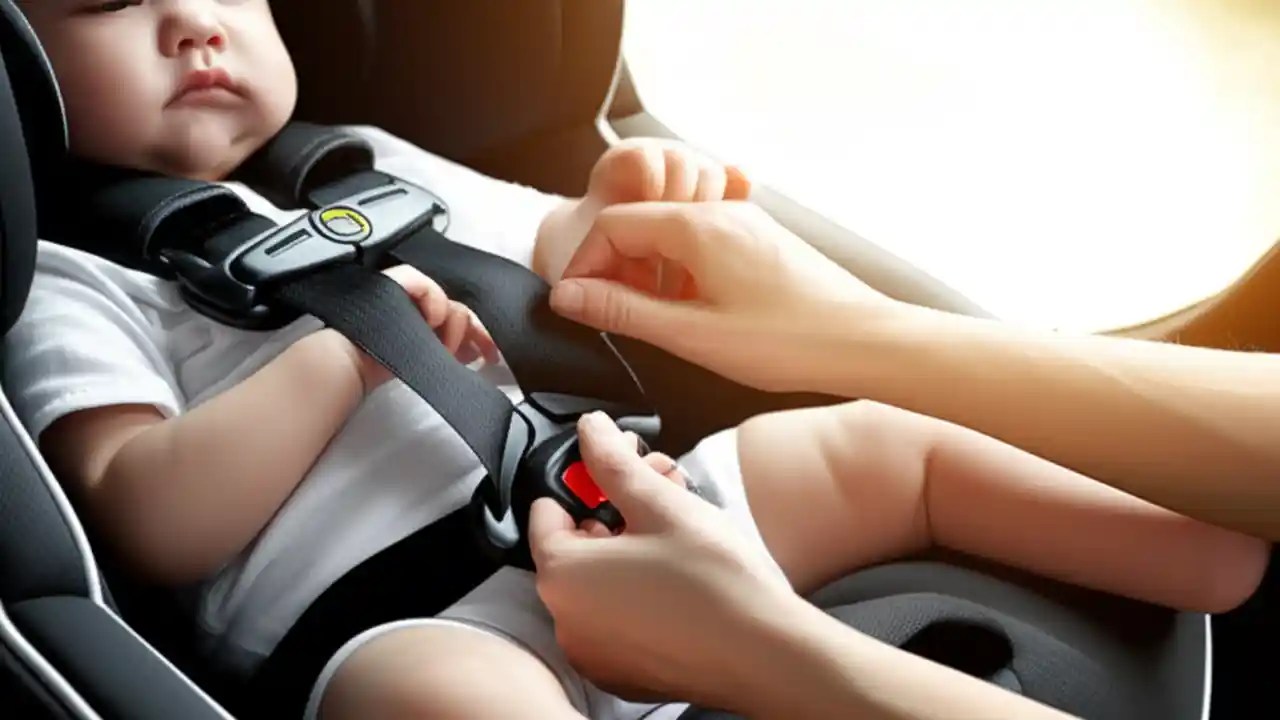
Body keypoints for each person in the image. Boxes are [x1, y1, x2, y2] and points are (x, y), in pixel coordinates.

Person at [4, 3, 1267, 720]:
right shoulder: (73, 281)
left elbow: (553, 262)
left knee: (873, 445)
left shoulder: (365, 164)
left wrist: (616, 206)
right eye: (113, 1)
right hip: (412, 621)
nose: (193, 24)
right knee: (435, 703)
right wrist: (340, 361)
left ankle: (1178, 537)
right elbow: (148, 518)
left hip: (632, 500)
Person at [529, 198, 1280, 712]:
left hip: (499, 640)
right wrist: (851, 330)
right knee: (878, 447)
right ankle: (1202, 543)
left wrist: (753, 647)